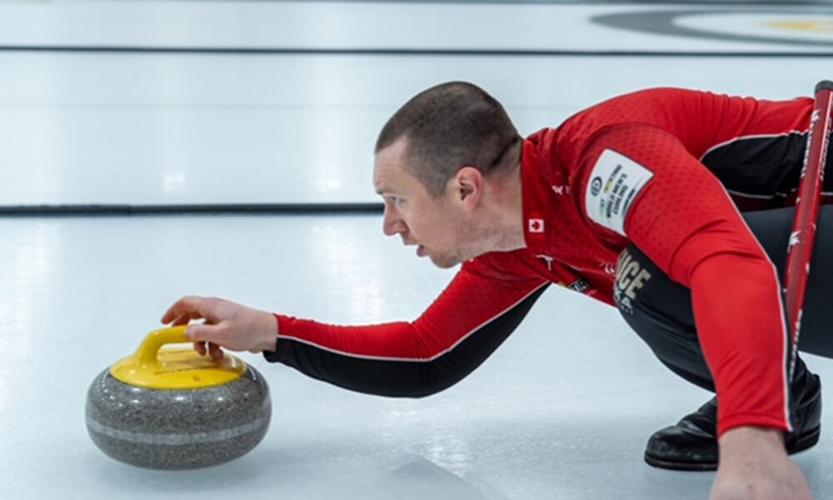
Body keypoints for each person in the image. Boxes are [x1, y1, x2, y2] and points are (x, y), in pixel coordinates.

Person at [162, 82, 833, 500]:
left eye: (397, 199)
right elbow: (426, 354)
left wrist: (750, 441)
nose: (390, 225)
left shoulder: (605, 159)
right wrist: (270, 333)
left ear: (465, 188)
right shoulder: (522, 243)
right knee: (650, 278)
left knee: (650, 274)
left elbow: (729, 264)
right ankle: (786, 396)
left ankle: (770, 403)